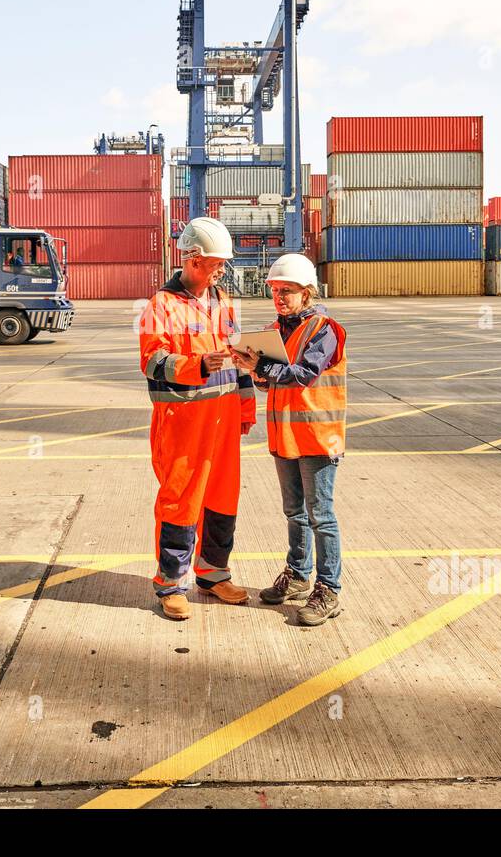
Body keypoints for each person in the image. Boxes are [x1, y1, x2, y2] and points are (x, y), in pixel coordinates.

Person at [137, 217, 257, 620]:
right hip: (184, 424)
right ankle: (171, 584)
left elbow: (239, 360)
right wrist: (199, 364)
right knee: (181, 501)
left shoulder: (223, 301)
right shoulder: (161, 305)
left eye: (223, 263)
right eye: (214, 262)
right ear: (190, 258)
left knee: (223, 499)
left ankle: (212, 574)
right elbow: (154, 362)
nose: (221, 269)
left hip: (223, 423)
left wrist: (245, 407)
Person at [232, 253, 347, 627]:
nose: (280, 297)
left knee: (322, 516)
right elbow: (274, 382)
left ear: (307, 292)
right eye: (275, 291)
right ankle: (298, 575)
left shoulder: (325, 330)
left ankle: (328, 589)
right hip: (285, 437)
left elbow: (303, 374)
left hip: (317, 437)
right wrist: (254, 371)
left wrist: (262, 367)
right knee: (294, 512)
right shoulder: (273, 330)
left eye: (288, 291)